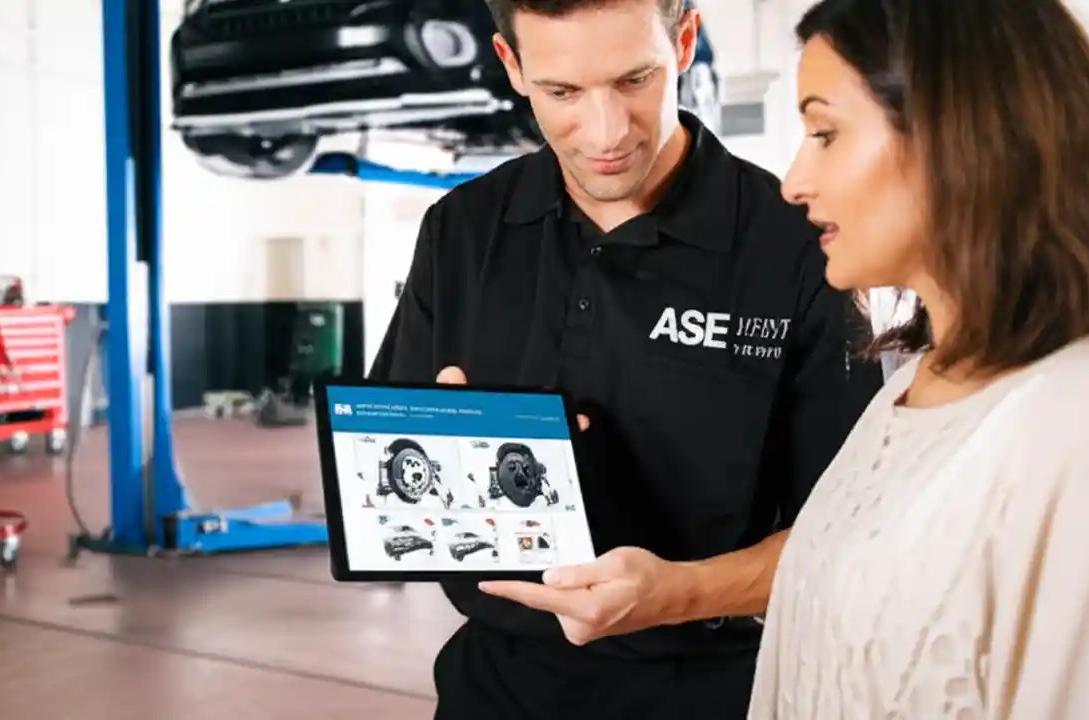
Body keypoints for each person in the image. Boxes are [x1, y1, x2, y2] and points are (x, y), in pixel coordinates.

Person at [482, 0, 1089, 717]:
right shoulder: (906, 399)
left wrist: (683, 592)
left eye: (824, 132)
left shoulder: (1083, 429)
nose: (793, 181)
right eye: (563, 90)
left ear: (967, 139)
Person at [366, 0, 884, 717]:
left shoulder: (796, 248)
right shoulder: (460, 231)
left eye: (634, 79)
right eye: (563, 93)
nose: (606, 131)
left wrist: (681, 594)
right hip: (493, 686)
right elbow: (390, 488)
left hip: (712, 690)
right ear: (513, 66)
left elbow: (854, 533)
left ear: (685, 42)